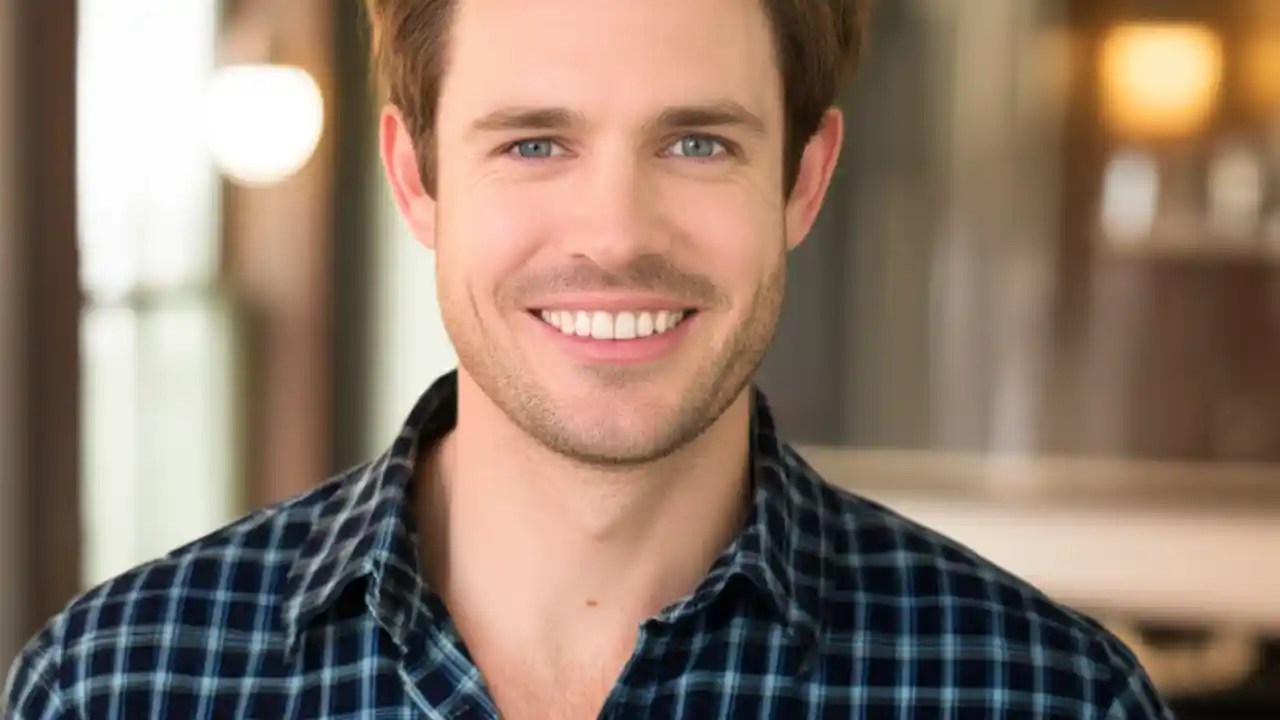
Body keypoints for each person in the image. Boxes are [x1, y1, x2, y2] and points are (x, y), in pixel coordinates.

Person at [5, 0, 1173, 717]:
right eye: (532, 142)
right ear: (416, 178)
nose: (614, 233)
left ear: (803, 180)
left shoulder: (1044, 698)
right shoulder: (114, 689)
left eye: (697, 141)